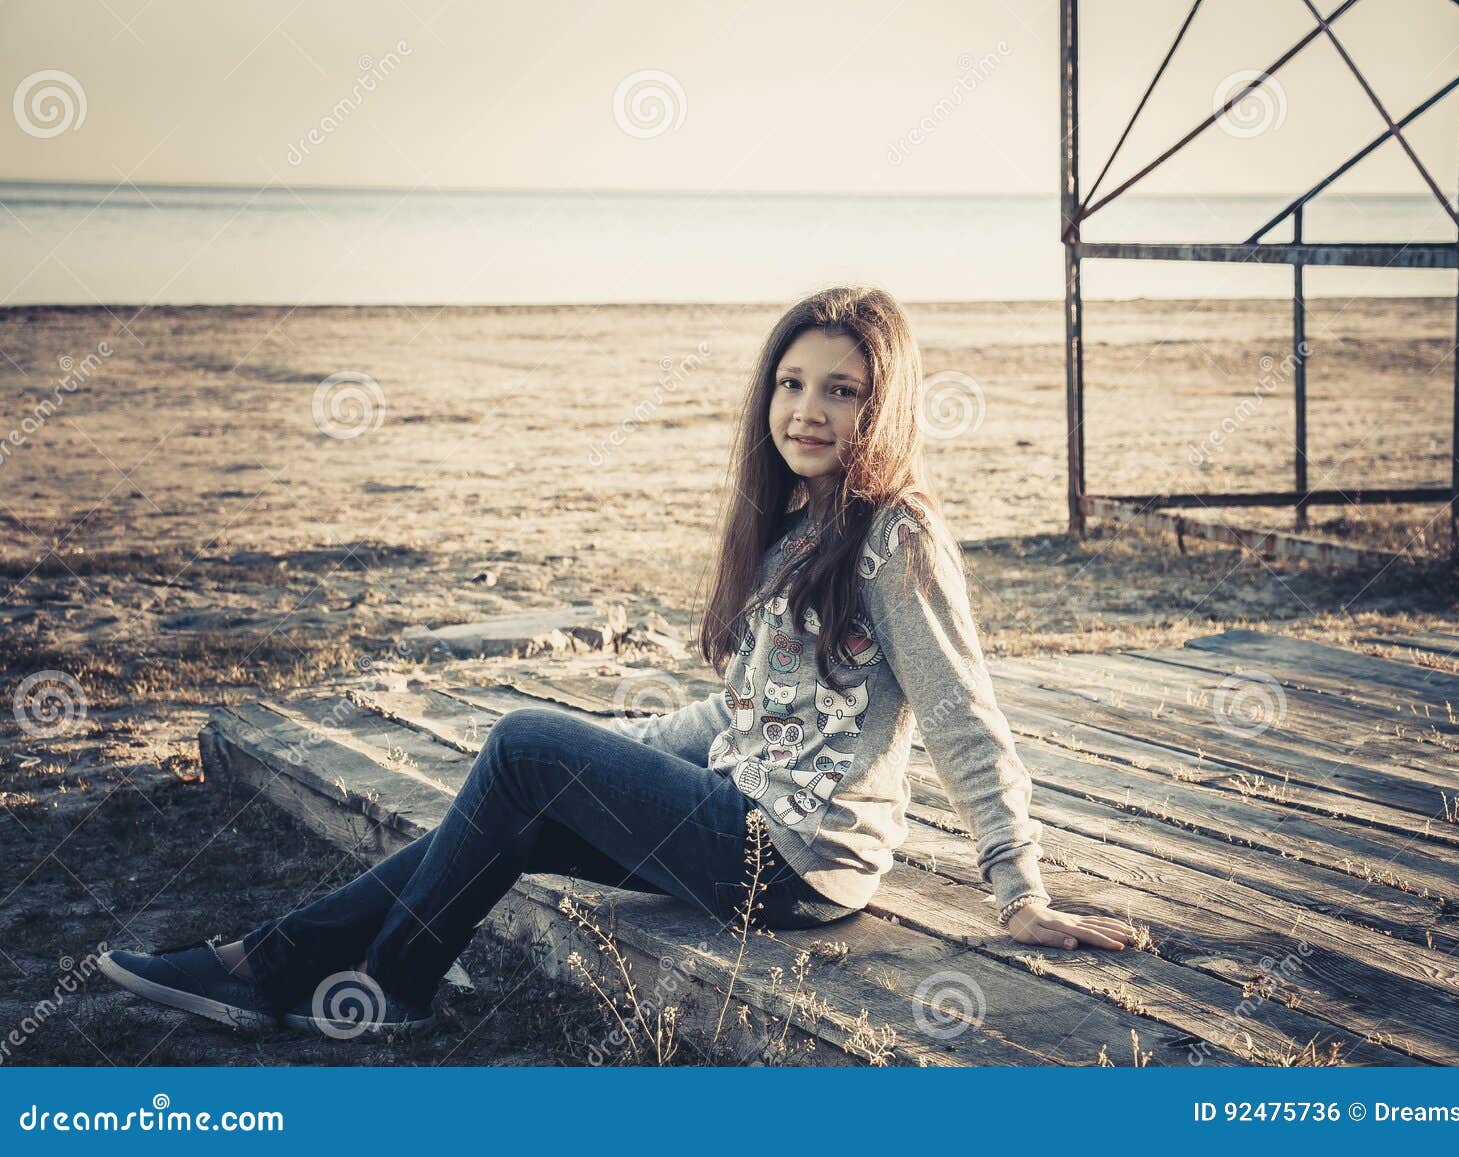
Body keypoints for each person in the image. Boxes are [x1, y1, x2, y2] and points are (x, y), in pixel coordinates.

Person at [97, 285, 1137, 1039]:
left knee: (522, 745)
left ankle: (388, 987)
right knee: (520, 798)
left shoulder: (895, 534)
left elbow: (960, 709)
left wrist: (1019, 888)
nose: (806, 410)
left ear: (885, 404)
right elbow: (734, 714)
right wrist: (606, 755)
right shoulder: (793, 530)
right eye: (789, 383)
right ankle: (269, 961)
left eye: (842, 390)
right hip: (741, 823)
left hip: (794, 860)